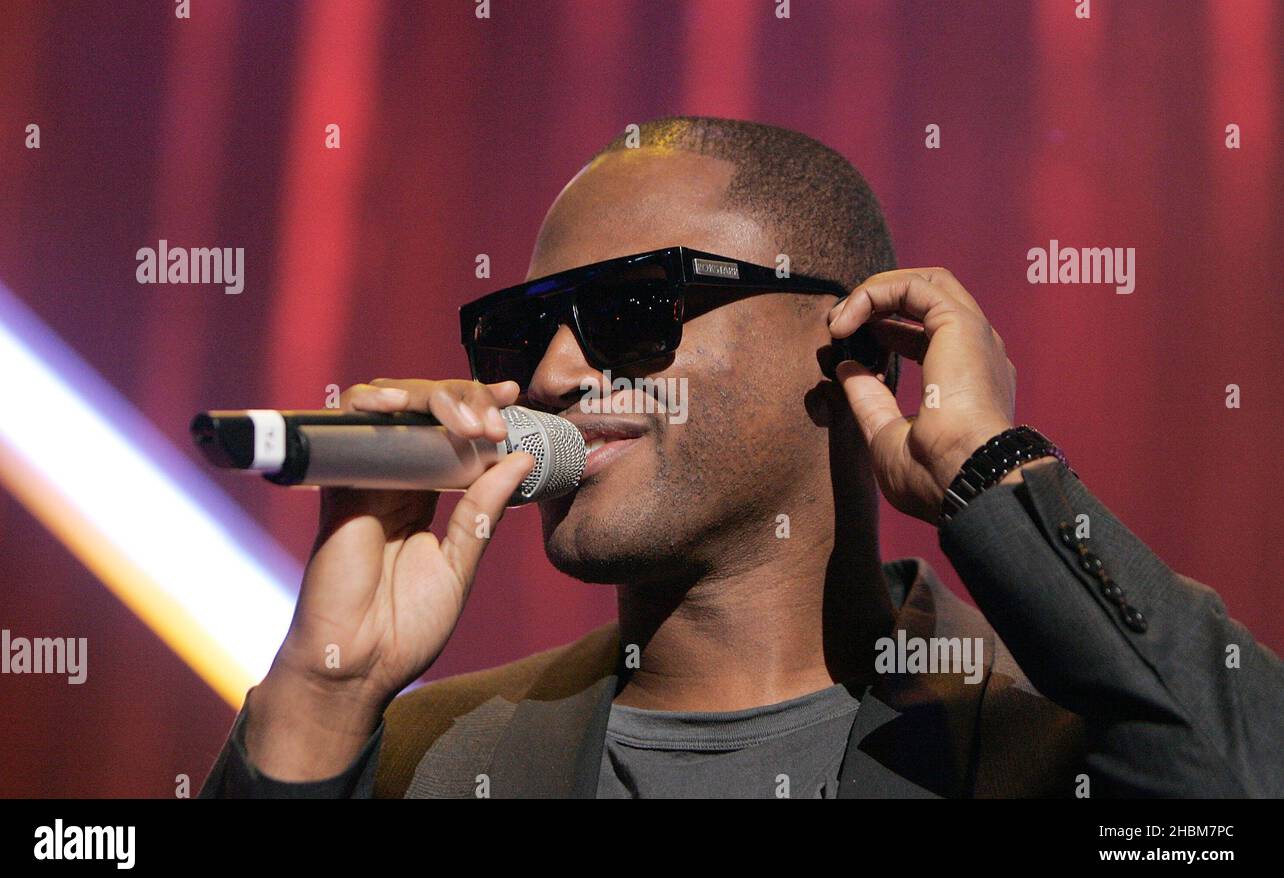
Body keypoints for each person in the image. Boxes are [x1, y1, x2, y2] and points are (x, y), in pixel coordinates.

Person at [201, 117, 1283, 798]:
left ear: (848, 335)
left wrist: (990, 470)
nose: (552, 376)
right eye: (516, 334)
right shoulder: (416, 760)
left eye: (632, 311)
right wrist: (323, 699)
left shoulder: (1050, 741)